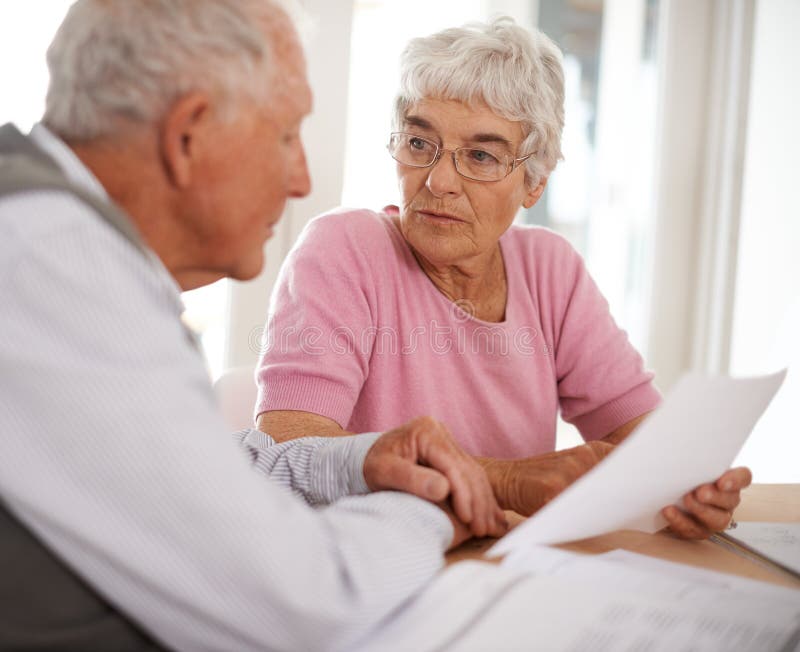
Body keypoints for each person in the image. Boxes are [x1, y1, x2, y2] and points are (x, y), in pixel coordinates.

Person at [0, 2, 508, 650]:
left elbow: (195, 468)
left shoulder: (51, 239)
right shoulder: (51, 266)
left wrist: (360, 463)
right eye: (286, 136)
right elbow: (307, 604)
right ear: (190, 135)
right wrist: (429, 511)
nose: (301, 180)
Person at [254, 17, 751, 538]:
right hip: (373, 572)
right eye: (420, 143)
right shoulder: (344, 250)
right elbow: (288, 457)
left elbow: (642, 440)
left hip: (508, 570)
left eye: (482, 156)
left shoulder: (549, 269)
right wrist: (504, 480)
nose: (440, 181)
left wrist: (689, 488)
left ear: (533, 182)